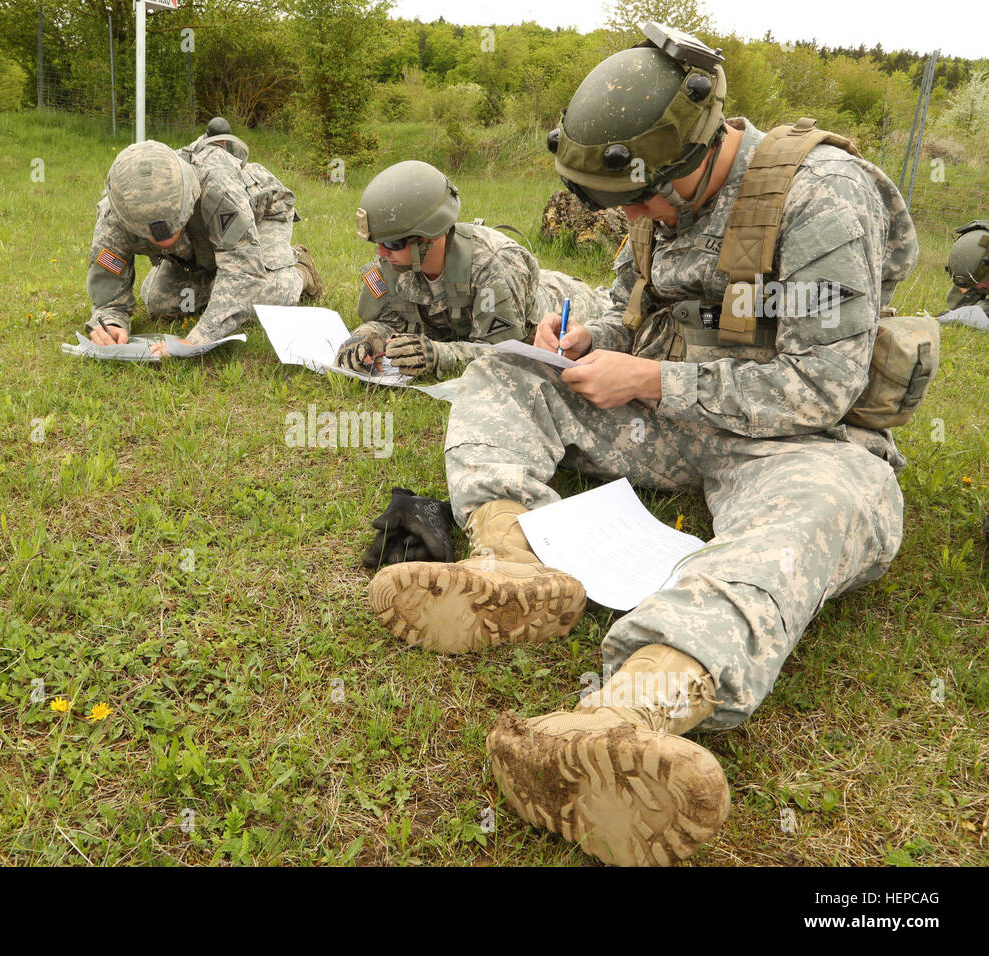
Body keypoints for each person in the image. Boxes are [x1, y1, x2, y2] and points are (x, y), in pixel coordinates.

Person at [367, 22, 922, 866]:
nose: (630, 217)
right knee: (504, 377)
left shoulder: (822, 197)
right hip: (670, 420)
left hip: (794, 443)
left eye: (639, 200)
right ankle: (511, 565)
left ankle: (621, 718)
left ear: (701, 150)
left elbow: (822, 388)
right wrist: (583, 339)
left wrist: (653, 382)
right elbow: (626, 298)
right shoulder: (650, 197)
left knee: (821, 511)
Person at [336, 160, 610, 379]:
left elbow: (504, 354)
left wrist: (438, 356)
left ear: (428, 237)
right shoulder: (393, 263)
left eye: (391, 243)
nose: (381, 253)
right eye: (377, 242)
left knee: (609, 307)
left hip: (569, 305)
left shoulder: (493, 266)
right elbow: (389, 321)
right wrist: (367, 336)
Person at [83, 124, 321, 354]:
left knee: (268, 296)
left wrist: (199, 338)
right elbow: (109, 283)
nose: (164, 241)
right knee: (160, 303)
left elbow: (244, 270)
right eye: (151, 235)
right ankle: (219, 276)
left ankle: (299, 268)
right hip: (200, 244)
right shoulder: (116, 213)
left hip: (260, 216)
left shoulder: (217, 188)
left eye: (173, 225)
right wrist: (110, 321)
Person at [939, 220, 989, 329]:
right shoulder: (974, 266)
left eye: (984, 281)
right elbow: (958, 308)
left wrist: (982, 310)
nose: (978, 286)